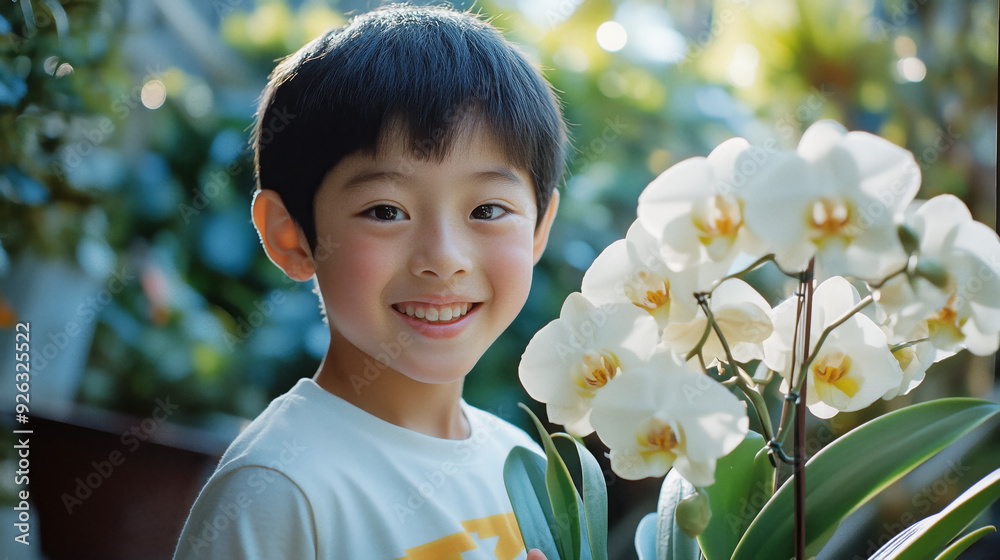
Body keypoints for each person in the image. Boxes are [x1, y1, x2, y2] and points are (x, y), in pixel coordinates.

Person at [173, 4, 567, 559]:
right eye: (386, 211)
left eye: (487, 210)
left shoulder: (524, 470)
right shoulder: (279, 488)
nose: (444, 259)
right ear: (290, 236)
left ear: (538, 230)